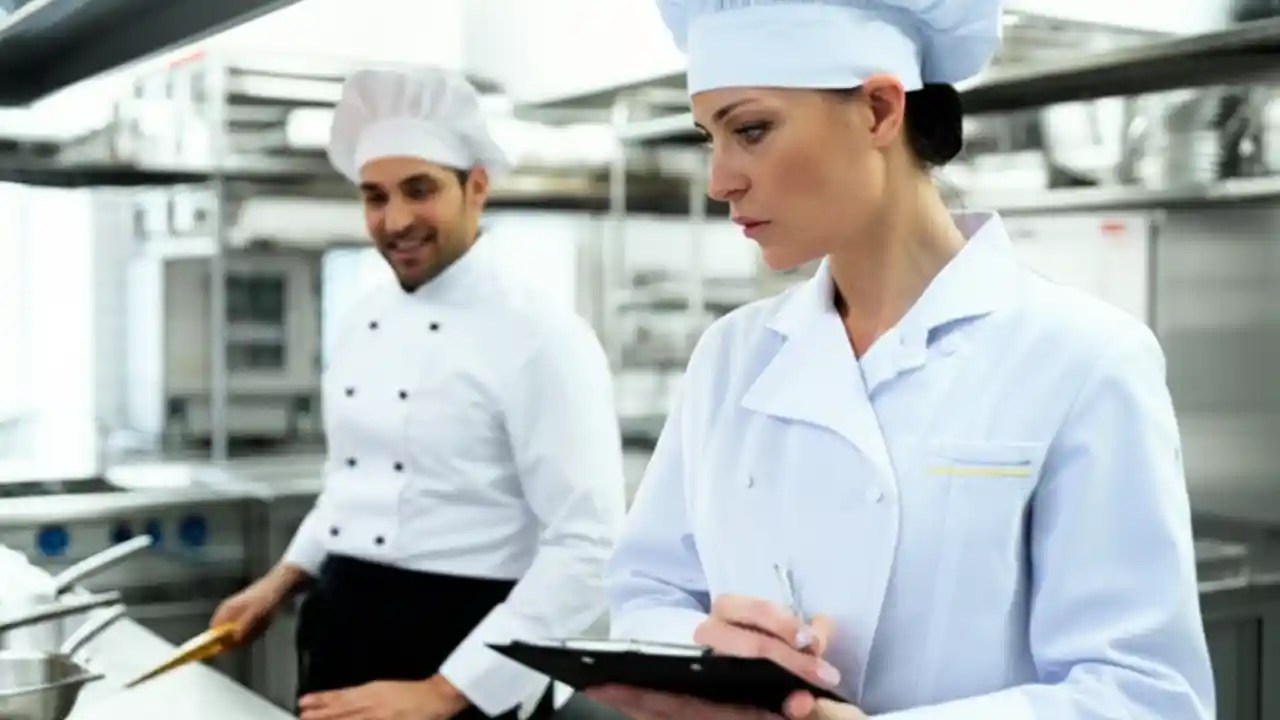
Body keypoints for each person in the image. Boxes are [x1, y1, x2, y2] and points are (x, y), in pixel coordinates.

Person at [589, 1, 1217, 718]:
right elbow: (647, 595)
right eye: (711, 139)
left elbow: (1146, 696)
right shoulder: (732, 355)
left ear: (880, 111)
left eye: (751, 131)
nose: (720, 180)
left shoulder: (1083, 358)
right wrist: (704, 647)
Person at [210, 66, 627, 720]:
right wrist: (281, 580)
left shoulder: (543, 335)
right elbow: (351, 484)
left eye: (419, 189)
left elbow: (589, 544)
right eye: (374, 197)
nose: (395, 219)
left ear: (476, 187)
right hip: (342, 631)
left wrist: (445, 690)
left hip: (465, 652)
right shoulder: (361, 319)